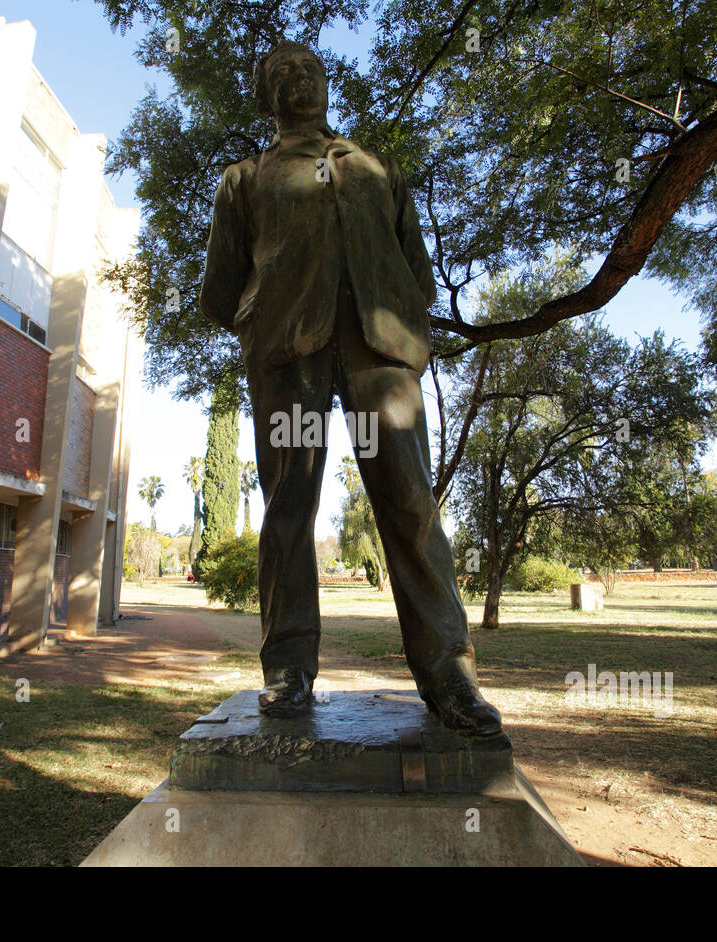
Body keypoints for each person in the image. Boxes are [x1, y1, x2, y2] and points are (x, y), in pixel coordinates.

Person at [198, 40, 501, 735]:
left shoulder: (376, 168)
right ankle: (288, 671)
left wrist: (383, 312)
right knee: (289, 507)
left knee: (410, 503)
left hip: (377, 353)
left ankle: (450, 673)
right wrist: (261, 315)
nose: (299, 79)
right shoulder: (243, 180)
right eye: (282, 74)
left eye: (310, 70)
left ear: (328, 85)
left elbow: (416, 273)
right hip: (288, 357)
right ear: (265, 97)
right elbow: (217, 293)